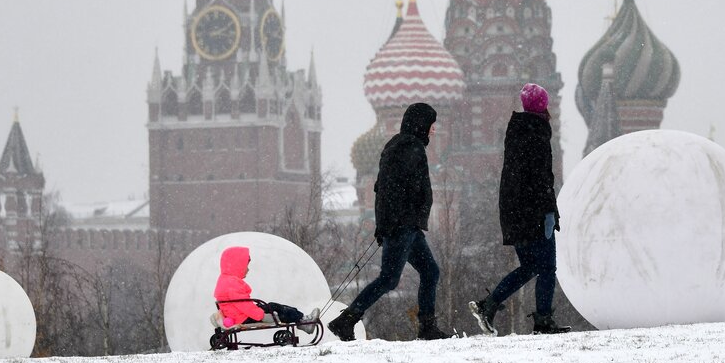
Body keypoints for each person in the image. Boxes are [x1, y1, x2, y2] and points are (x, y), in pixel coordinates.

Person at [327, 102, 451, 341]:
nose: (433, 129)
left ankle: (427, 326)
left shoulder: (400, 146)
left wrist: (386, 223)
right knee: (389, 279)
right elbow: (390, 190)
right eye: (431, 124)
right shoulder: (409, 148)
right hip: (402, 225)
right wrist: (389, 224)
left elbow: (383, 189)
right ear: (421, 124)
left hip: (407, 225)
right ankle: (346, 320)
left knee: (430, 272)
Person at [469, 83, 570, 335]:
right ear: (543, 106)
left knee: (530, 267)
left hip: (514, 213)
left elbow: (521, 177)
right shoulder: (538, 133)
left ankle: (488, 305)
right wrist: (549, 212)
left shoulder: (516, 130)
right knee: (547, 268)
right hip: (534, 213)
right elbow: (542, 179)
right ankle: (543, 321)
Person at [212, 246, 316, 328]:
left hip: (239, 316)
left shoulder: (224, 281)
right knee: (275, 308)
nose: (248, 269)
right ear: (237, 265)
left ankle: (301, 320)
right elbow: (244, 305)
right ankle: (303, 321)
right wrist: (262, 316)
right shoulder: (232, 283)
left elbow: (241, 305)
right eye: (245, 266)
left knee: (272, 307)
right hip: (245, 318)